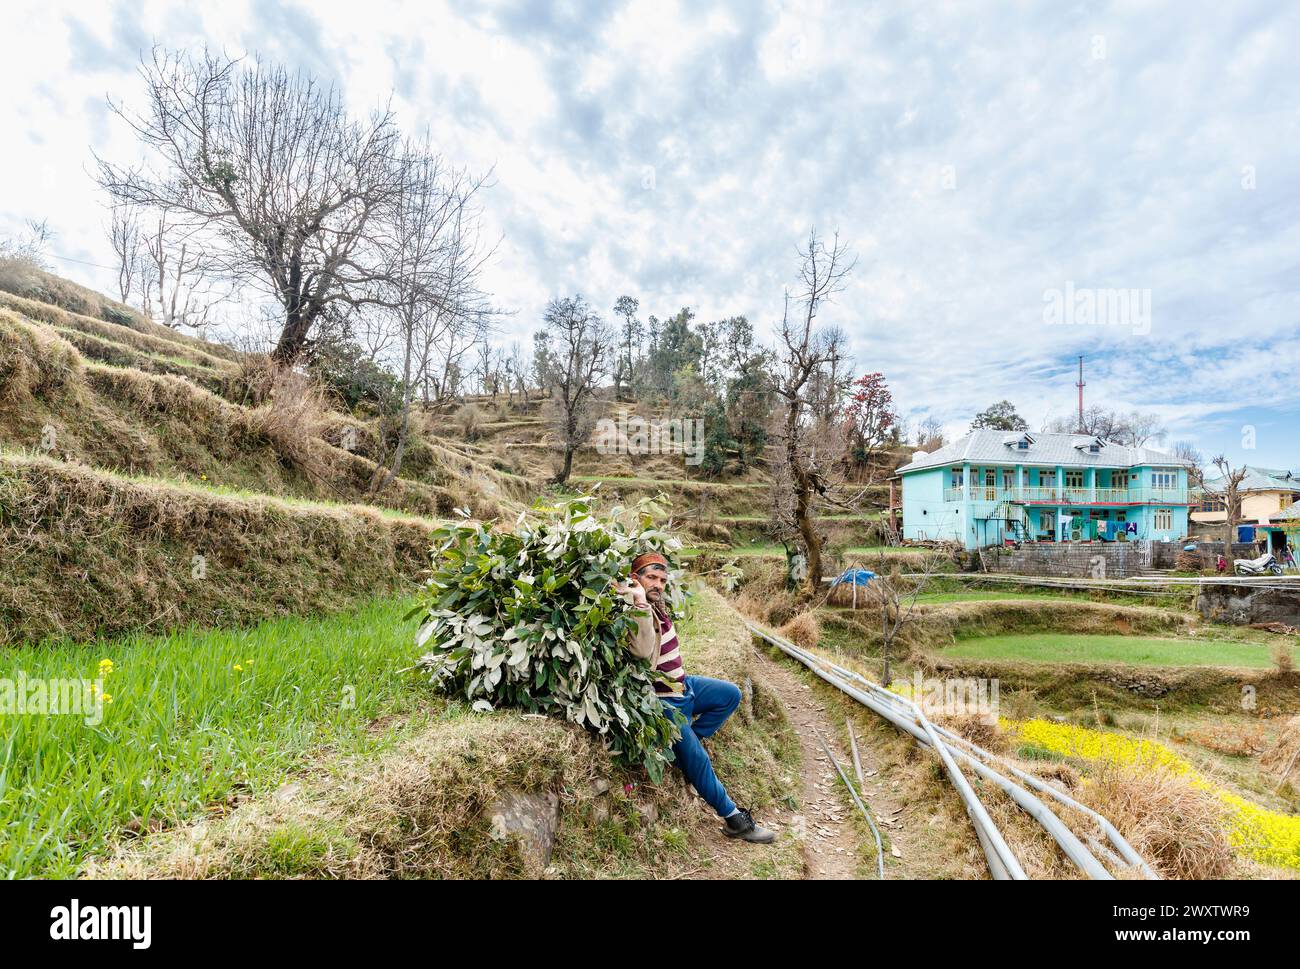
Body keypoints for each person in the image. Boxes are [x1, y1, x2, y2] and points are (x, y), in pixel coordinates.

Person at [617, 551, 776, 844]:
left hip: (684, 686)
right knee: (700, 760)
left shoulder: (658, 605)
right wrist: (638, 599)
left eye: (663, 579)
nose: (658, 584)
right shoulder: (633, 608)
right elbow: (640, 652)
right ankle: (735, 820)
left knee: (730, 695)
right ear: (634, 578)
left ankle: (685, 755)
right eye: (651, 577)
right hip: (664, 702)